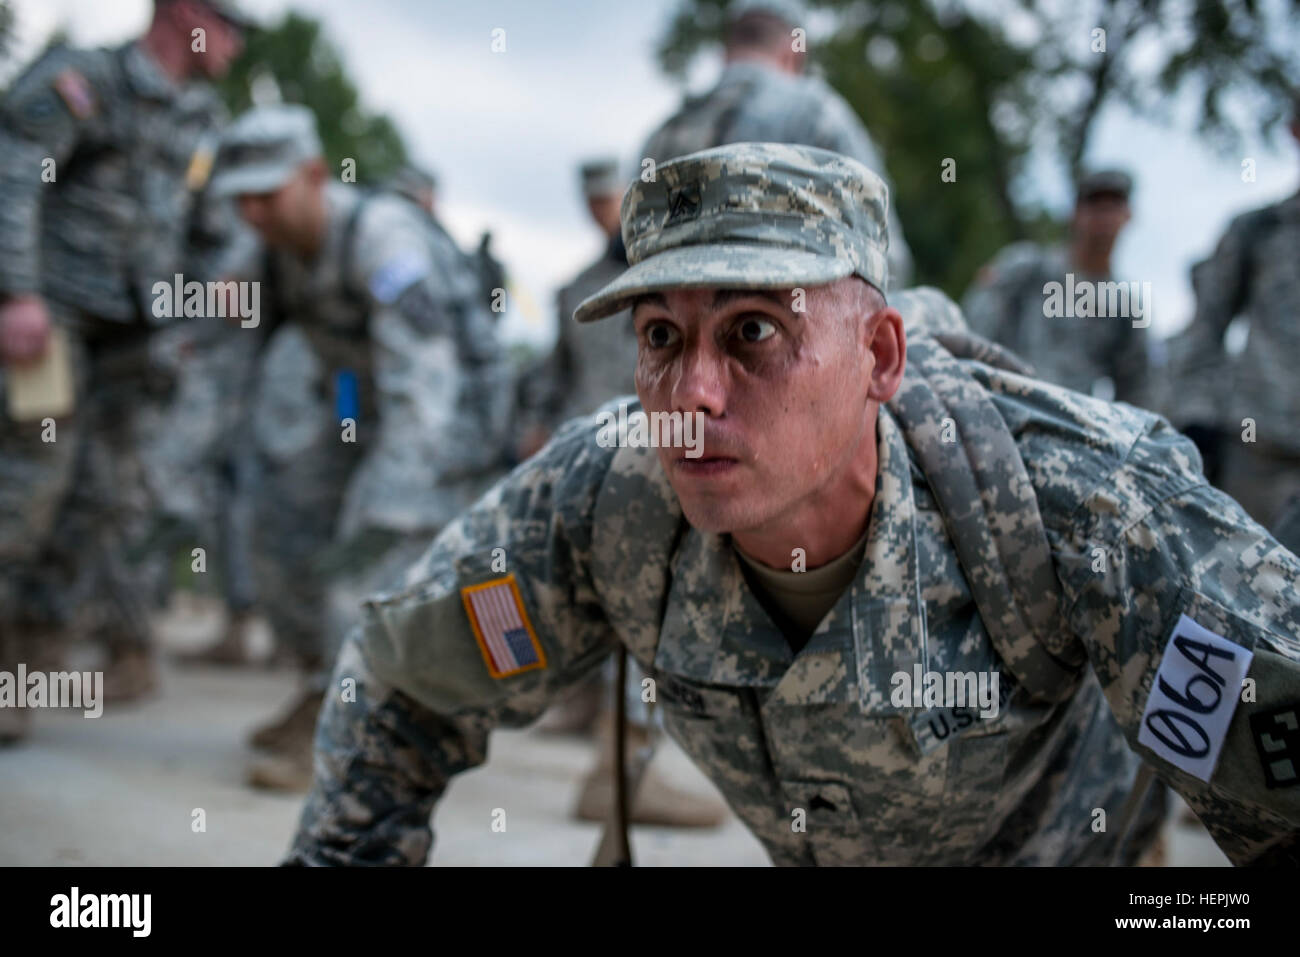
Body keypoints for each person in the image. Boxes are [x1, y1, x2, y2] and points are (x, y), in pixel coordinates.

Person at [285, 143, 1300, 866]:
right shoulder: (605, 499)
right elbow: (400, 686)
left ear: (880, 357)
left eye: (754, 333)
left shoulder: (1079, 504)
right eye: (658, 338)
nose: (692, 396)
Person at [204, 105, 514, 791]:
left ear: (314, 175)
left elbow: (426, 384)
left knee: (362, 559)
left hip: (444, 422)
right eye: (241, 199)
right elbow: (215, 339)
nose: (252, 212)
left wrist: (388, 502)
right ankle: (324, 685)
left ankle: (350, 736)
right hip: (356, 411)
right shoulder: (271, 251)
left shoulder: (381, 237)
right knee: (281, 531)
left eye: (266, 194)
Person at [0, 0, 252, 739]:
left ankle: (26, 669)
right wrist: (16, 290)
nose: (237, 46)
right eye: (232, 25)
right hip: (54, 325)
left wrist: (202, 301)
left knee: (104, 501)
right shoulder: (89, 80)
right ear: (185, 13)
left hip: (137, 342)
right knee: (27, 487)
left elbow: (213, 235)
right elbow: (15, 171)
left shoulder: (203, 121)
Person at [520, 157, 727, 828]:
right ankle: (619, 769)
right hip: (598, 461)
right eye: (593, 202)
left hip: (663, 458)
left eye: (611, 198)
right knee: (619, 601)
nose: (601, 211)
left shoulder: (683, 270)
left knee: (649, 604)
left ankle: (620, 757)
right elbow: (552, 376)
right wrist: (537, 429)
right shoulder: (576, 288)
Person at [638, 0, 912, 286]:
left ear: (725, 52)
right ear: (791, 55)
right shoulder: (816, 111)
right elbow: (885, 255)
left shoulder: (662, 134)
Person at [1164, 92, 1300, 533]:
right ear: (1294, 131)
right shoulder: (1259, 231)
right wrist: (1197, 419)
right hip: (1259, 457)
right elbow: (1204, 330)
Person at [962, 169, 1149, 405]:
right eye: (1095, 203)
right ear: (1076, 213)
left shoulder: (1125, 307)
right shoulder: (1026, 268)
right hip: (1002, 404)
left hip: (1071, 425)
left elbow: (1138, 388)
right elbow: (971, 330)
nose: (1104, 215)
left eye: (1114, 204)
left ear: (1128, 215)